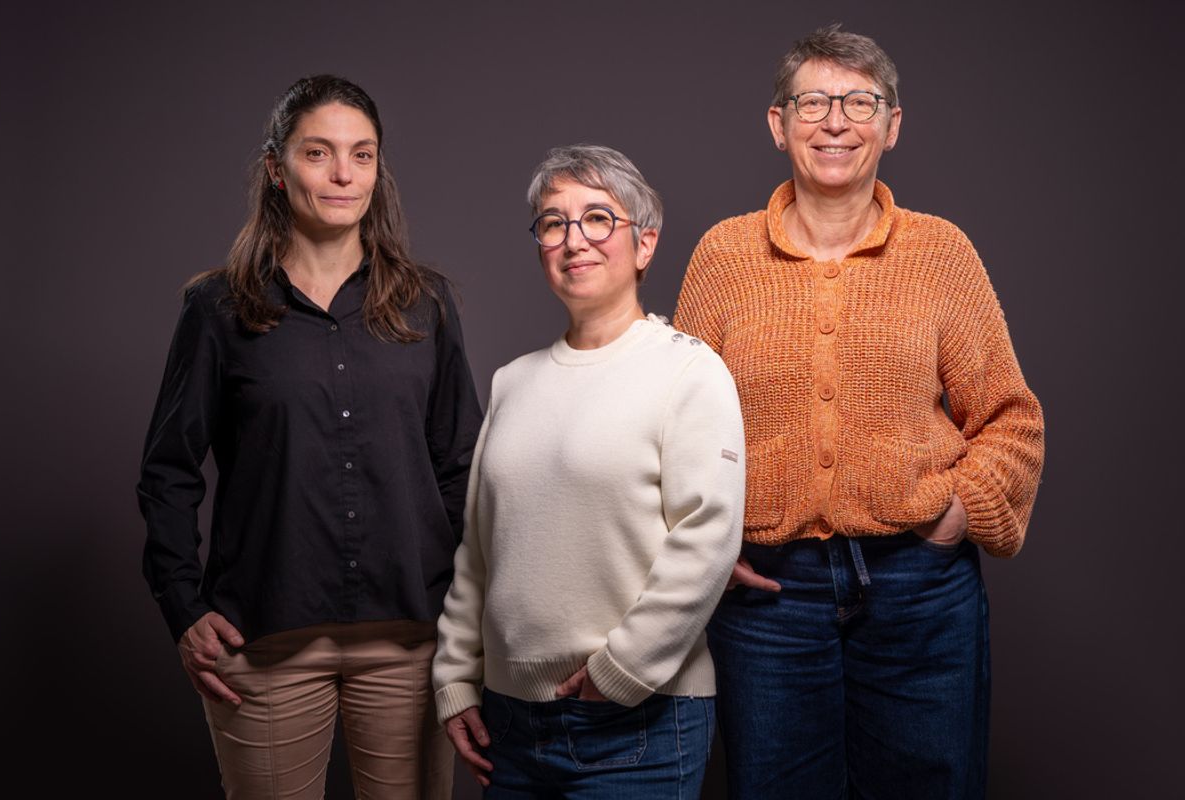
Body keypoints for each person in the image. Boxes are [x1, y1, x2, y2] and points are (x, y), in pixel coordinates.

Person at [673, 25, 1046, 800]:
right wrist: (705, 547)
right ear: (778, 124)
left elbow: (1010, 418)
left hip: (920, 587)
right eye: (813, 102)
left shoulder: (941, 254)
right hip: (767, 597)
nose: (835, 122)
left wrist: (958, 511)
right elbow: (673, 427)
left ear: (892, 125)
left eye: (859, 103)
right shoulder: (723, 258)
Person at [137, 74, 481, 800]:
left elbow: (460, 467)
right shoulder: (217, 308)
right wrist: (183, 606)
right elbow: (168, 470)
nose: (342, 174)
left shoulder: (426, 303)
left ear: (378, 168)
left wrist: (467, 615)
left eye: (362, 154)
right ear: (277, 167)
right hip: (264, 642)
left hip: (411, 640)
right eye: (318, 152)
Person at [432, 144, 745, 798]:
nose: (574, 239)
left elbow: (708, 537)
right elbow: (479, 550)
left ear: (645, 244)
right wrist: (456, 677)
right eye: (554, 223)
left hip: (638, 718)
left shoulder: (688, 371)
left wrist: (622, 670)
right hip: (510, 722)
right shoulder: (513, 383)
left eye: (598, 218)